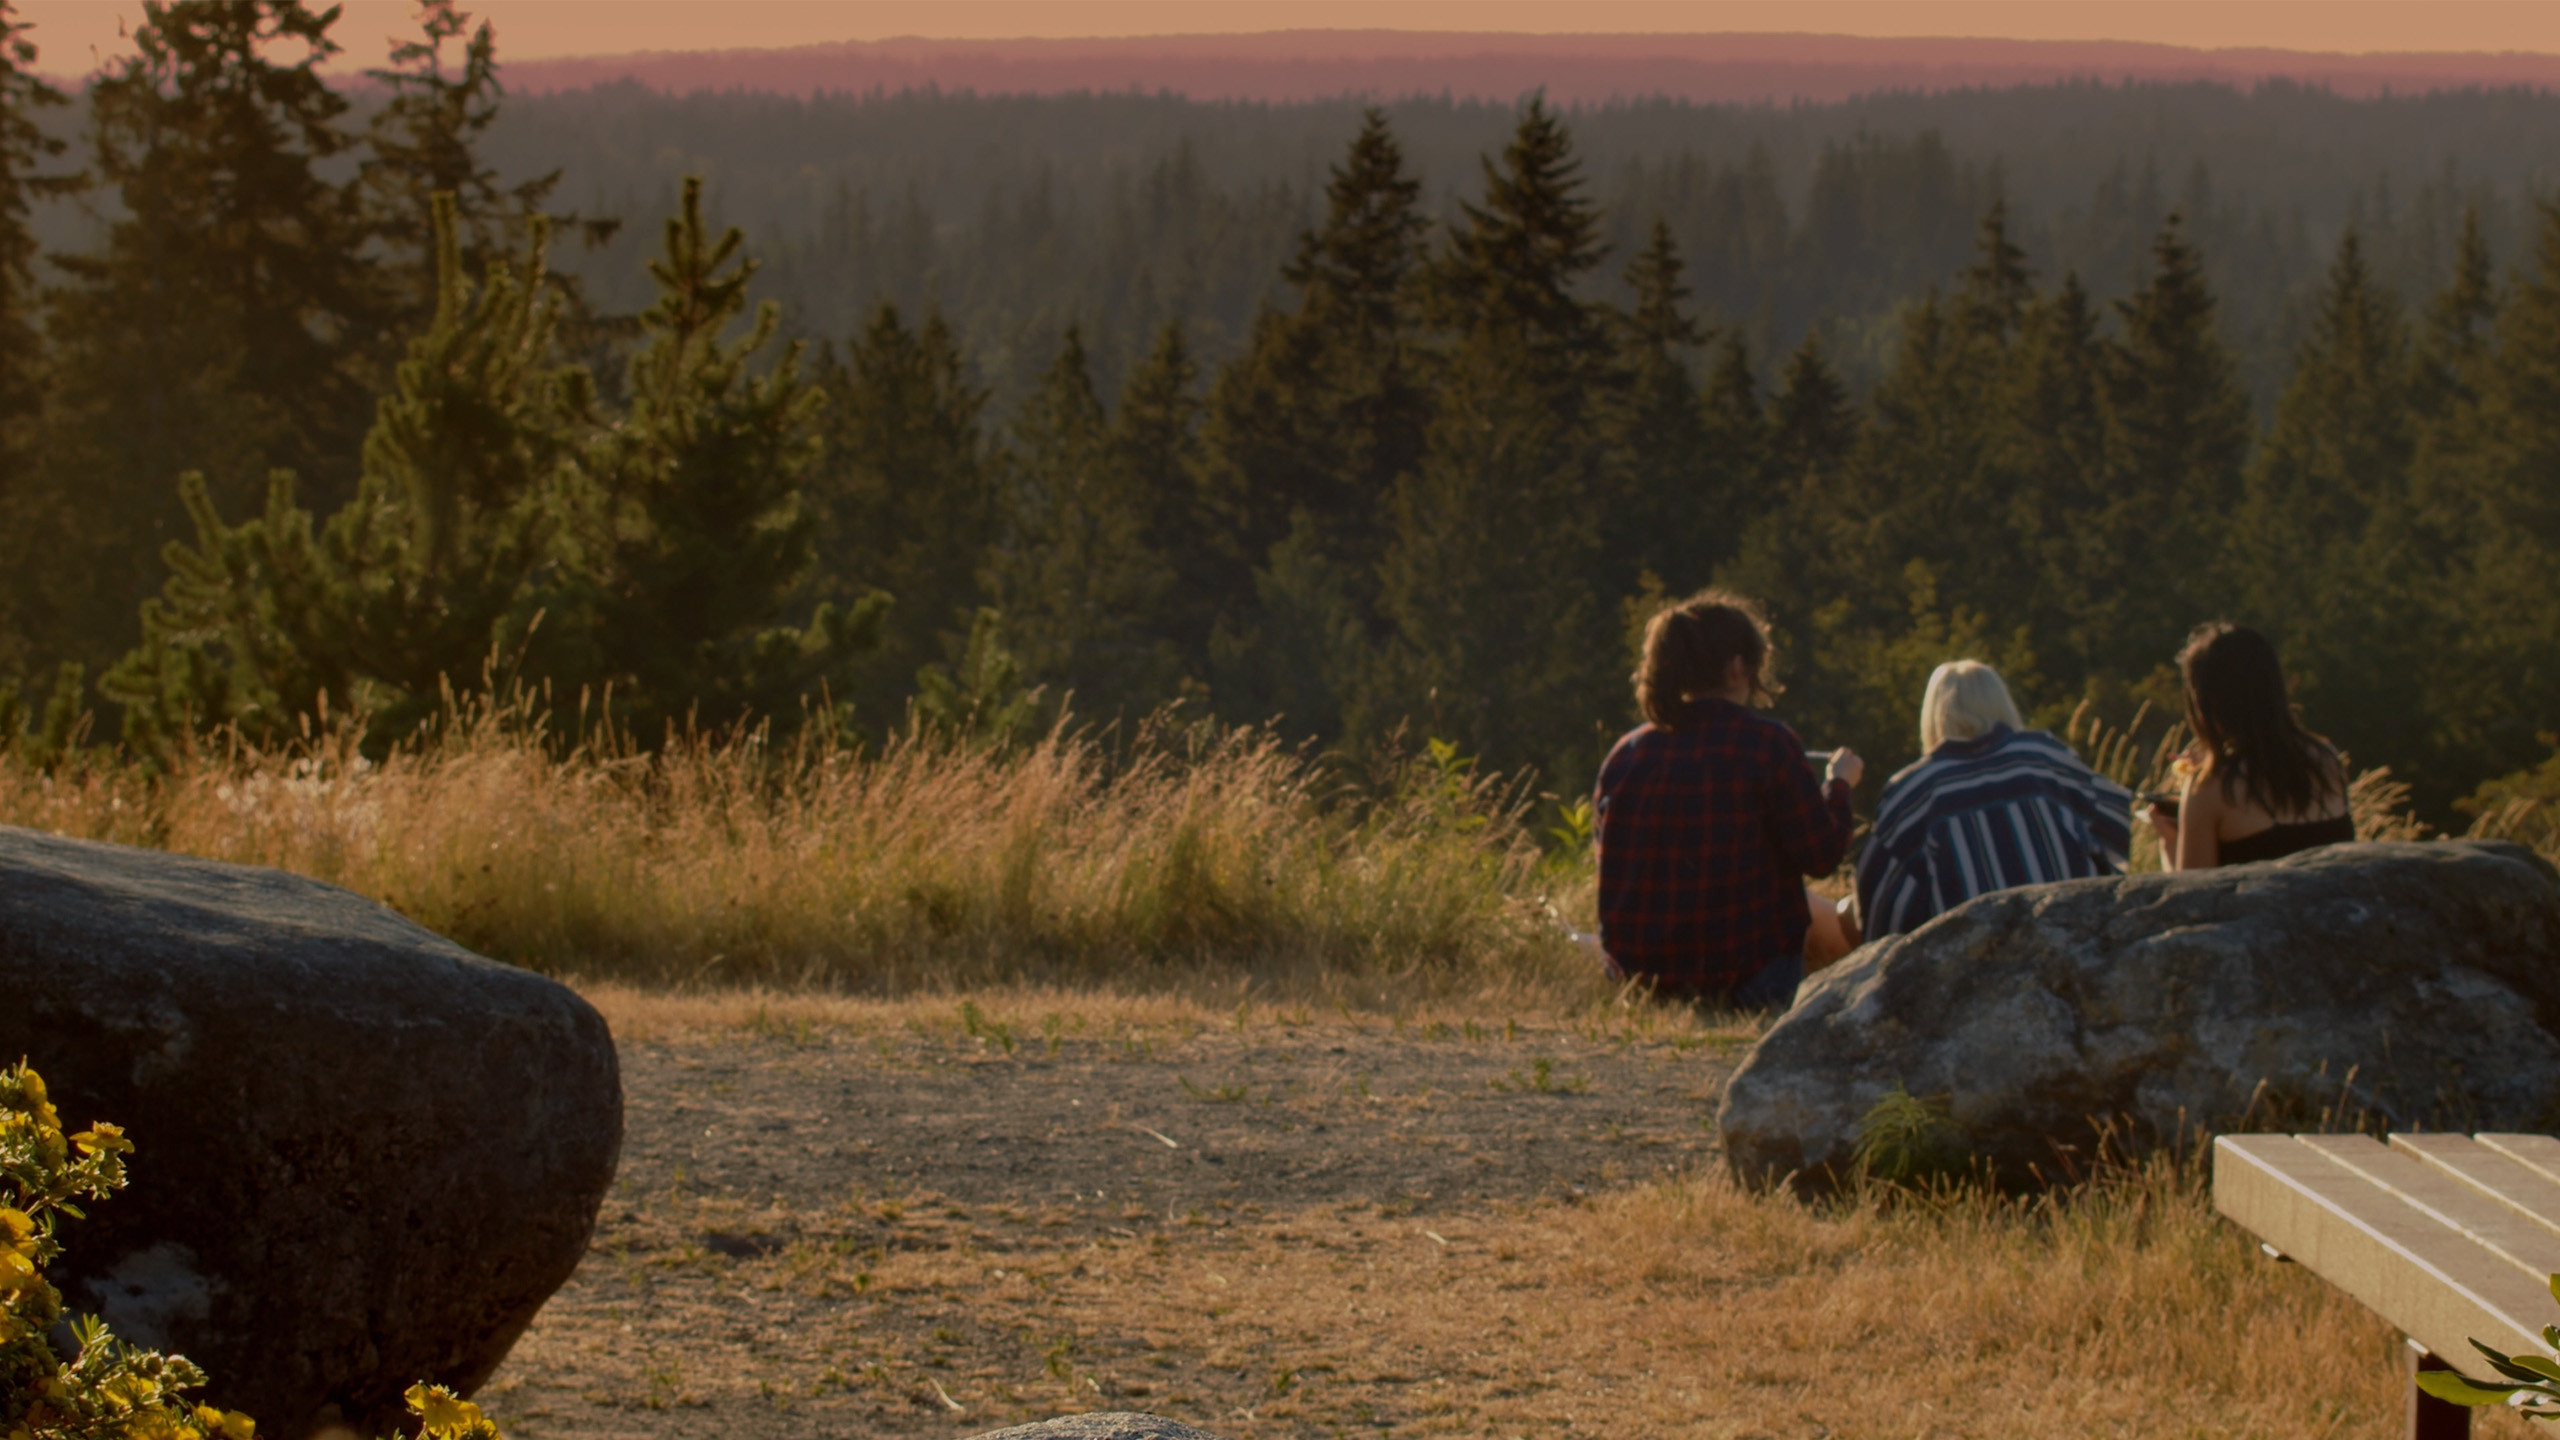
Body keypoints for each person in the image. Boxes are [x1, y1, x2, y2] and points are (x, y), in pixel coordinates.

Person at [1594, 591, 1862, 1011]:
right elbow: (1822, 855)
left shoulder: (1625, 755)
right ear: (1738, 668)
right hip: (1749, 982)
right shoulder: (1766, 744)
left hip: (1644, 985)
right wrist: (1840, 786)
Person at [1855, 660, 2133, 939]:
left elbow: (1880, 900)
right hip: (2076, 940)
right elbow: (2119, 822)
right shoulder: (2047, 757)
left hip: (1971, 956)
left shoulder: (1912, 791)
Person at [2147, 622, 2351, 868]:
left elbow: (2191, 889)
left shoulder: (2210, 789)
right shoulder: (2326, 760)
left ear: (2206, 703)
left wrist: (2170, 842)